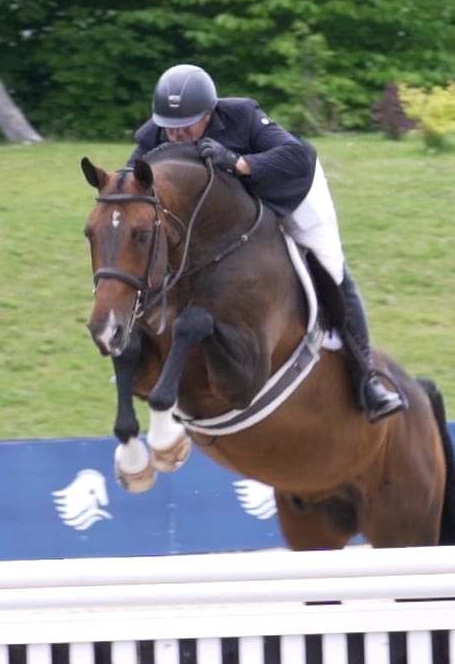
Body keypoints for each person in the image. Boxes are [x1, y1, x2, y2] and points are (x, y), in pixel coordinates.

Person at [129, 63, 405, 422]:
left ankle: (367, 377)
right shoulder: (154, 136)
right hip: (223, 217)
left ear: (209, 114)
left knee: (330, 267)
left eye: (187, 125)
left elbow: (297, 156)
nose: (177, 135)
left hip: (285, 192)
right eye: (170, 126)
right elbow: (129, 188)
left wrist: (240, 163)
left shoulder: (242, 115)